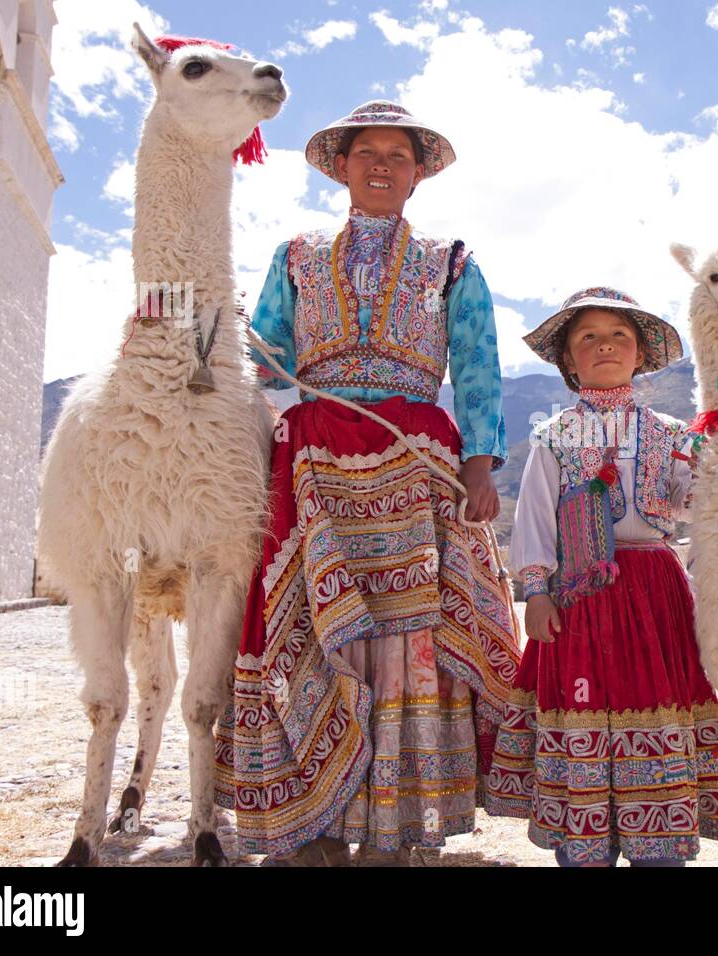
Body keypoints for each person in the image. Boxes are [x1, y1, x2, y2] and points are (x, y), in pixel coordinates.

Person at [214, 100, 520, 866]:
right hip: (311, 455)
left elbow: (478, 365)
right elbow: (266, 354)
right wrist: (214, 334)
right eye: (367, 153)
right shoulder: (295, 255)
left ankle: (395, 815)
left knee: (407, 632)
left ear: (417, 176)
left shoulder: (453, 262)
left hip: (416, 459)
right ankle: (312, 818)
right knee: (304, 623)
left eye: (398, 156)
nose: (381, 165)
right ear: (341, 167)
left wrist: (480, 464)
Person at [485, 287, 718, 866]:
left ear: (641, 352)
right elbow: (534, 518)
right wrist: (537, 591)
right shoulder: (554, 436)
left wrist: (712, 464)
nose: (605, 345)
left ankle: (659, 846)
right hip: (580, 595)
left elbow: (684, 504)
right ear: (570, 361)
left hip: (656, 593)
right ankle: (586, 845)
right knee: (584, 705)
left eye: (618, 335)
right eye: (588, 338)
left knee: (660, 703)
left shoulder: (672, 433)